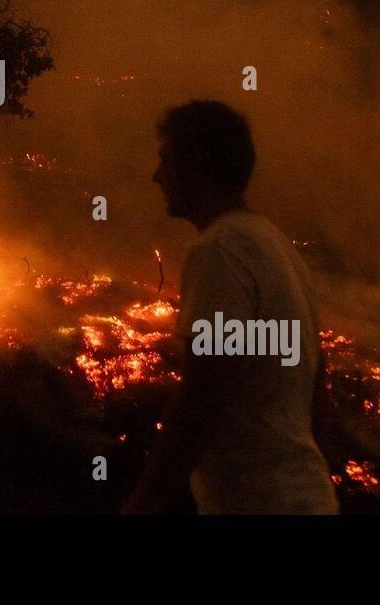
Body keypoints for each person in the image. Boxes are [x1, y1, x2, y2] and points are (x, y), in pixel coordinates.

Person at [123, 100, 338, 514]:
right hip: (304, 499)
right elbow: (317, 385)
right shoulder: (274, 245)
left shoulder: (219, 251)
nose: (156, 176)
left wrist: (142, 505)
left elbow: (203, 396)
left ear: (198, 164)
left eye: (165, 160)